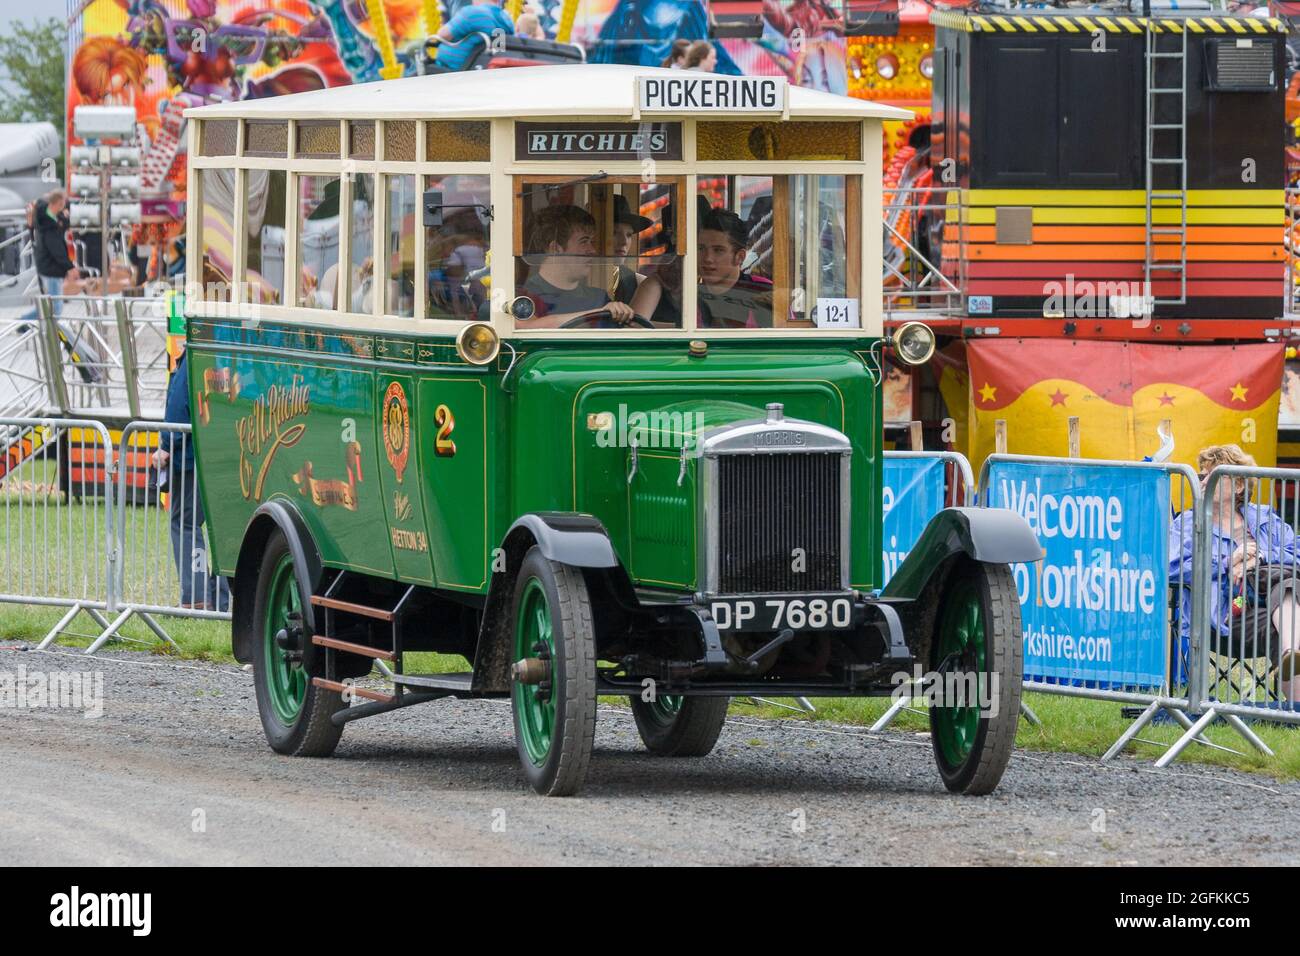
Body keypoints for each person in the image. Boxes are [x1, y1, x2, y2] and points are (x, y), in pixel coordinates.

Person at [1169, 444, 1300, 700]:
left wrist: (1259, 556)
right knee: (1287, 588)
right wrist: (1228, 562)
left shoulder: (1264, 518)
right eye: (1202, 475)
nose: (1204, 481)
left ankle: (1295, 703)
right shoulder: (1187, 523)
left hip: (1270, 609)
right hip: (1228, 613)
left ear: (1239, 486)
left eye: (1214, 474)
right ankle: (1292, 648)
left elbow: (1296, 552)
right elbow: (1171, 567)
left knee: (1284, 586)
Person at [153, 346, 230, 611]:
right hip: (225, 451)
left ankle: (196, 598)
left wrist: (166, 443)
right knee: (222, 528)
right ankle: (220, 600)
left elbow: (178, 404)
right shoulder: (227, 351)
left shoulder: (195, 354)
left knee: (185, 524)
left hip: (191, 455)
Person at [631, 204, 773, 328]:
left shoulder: (763, 290)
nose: (707, 258)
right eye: (700, 249)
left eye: (718, 250)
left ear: (740, 257)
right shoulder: (683, 293)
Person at [520, 204, 637, 327]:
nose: (592, 250)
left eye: (592, 242)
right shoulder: (526, 294)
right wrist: (599, 313)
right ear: (555, 249)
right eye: (584, 241)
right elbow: (526, 327)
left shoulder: (599, 297)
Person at [431, 0, 515, 71]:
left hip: (453, 69)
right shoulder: (506, 19)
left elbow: (442, 35)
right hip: (483, 66)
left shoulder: (472, 13)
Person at [34, 190, 79, 316]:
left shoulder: (52, 216)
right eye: (63, 203)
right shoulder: (48, 225)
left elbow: (62, 226)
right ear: (59, 203)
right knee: (55, 307)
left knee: (50, 306)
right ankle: (24, 323)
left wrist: (65, 219)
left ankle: (23, 323)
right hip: (51, 268)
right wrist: (70, 267)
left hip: (49, 266)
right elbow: (57, 249)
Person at [605, 193, 652, 304]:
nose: (624, 242)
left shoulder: (640, 284)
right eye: (614, 232)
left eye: (629, 235)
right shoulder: (574, 281)